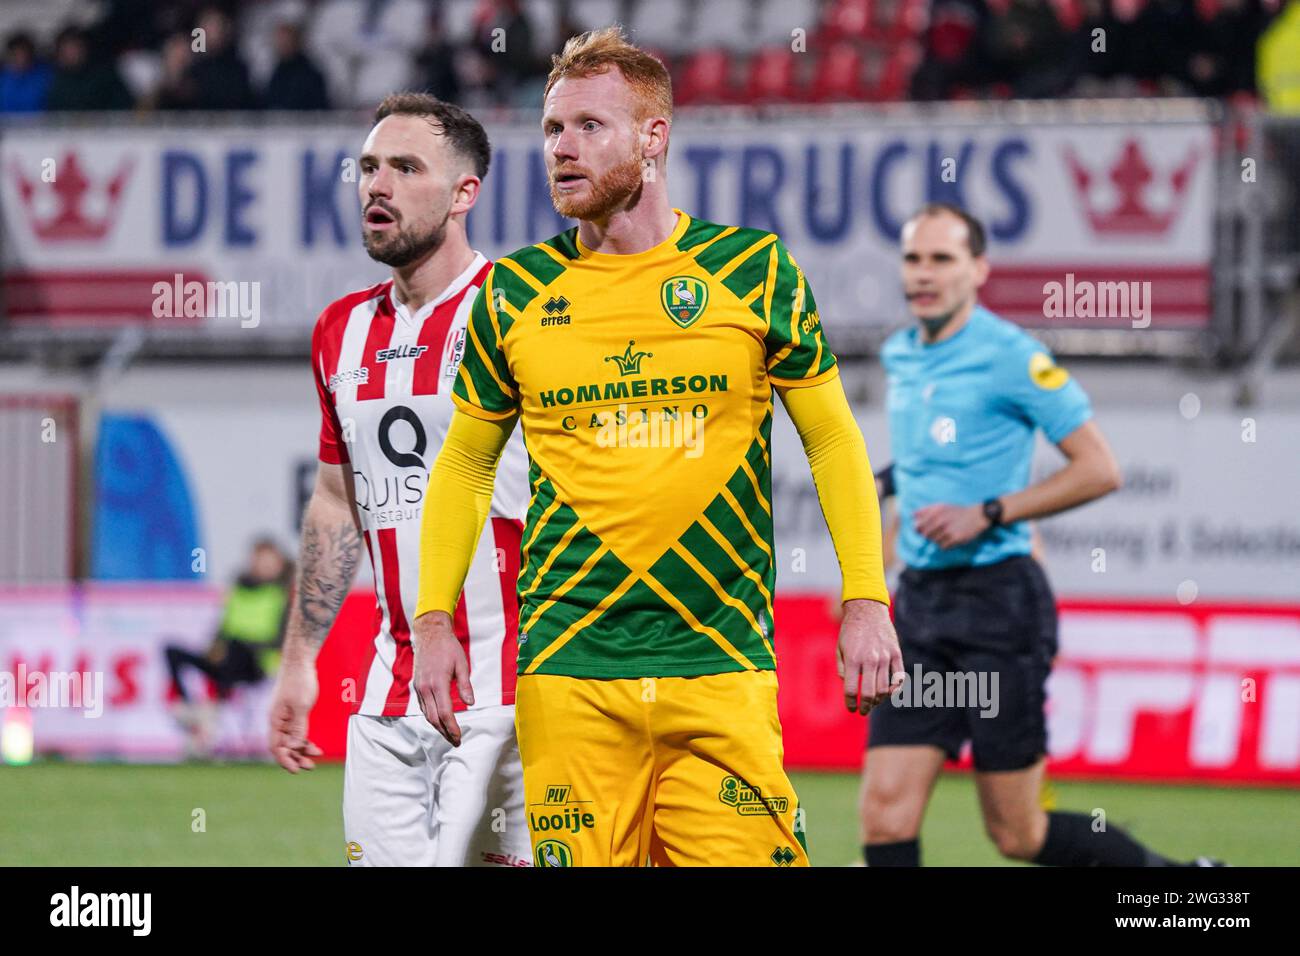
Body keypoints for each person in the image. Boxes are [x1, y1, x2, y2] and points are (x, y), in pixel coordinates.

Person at [413, 26, 902, 867]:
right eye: (552, 131)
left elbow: (830, 437)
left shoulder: (753, 270)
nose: (562, 150)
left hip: (719, 667)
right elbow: (464, 463)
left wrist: (866, 598)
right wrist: (432, 619)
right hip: (569, 672)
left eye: (589, 127)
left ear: (654, 137)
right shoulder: (514, 294)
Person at [860, 202, 1222, 867]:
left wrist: (993, 512)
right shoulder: (900, 352)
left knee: (1018, 836)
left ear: (979, 270)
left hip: (998, 608)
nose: (924, 273)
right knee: (884, 816)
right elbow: (919, 468)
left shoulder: (1012, 357)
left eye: (942, 258)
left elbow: (1100, 469)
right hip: (919, 611)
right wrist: (877, 525)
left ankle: (1185, 883)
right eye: (914, 258)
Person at [267, 92, 532, 868]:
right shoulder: (338, 330)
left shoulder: (520, 312)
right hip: (386, 702)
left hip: (511, 700)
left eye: (406, 168)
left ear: (463, 194)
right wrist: (298, 664)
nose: (376, 185)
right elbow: (335, 503)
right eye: (370, 167)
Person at [165, 537, 291, 758]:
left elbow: (280, 640)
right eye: (260, 560)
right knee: (172, 652)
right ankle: (191, 709)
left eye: (269, 562)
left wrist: (244, 643)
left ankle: (209, 717)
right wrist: (214, 647)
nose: (263, 566)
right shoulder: (238, 590)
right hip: (228, 660)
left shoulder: (281, 595)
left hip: (258, 665)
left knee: (237, 645)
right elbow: (223, 629)